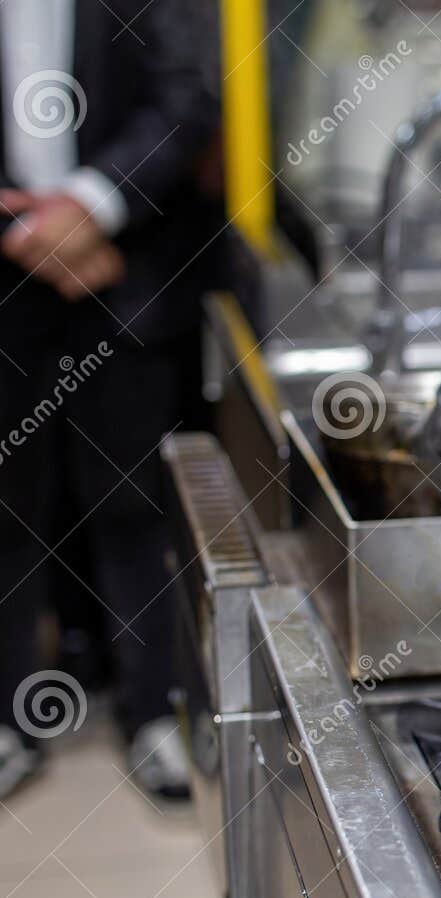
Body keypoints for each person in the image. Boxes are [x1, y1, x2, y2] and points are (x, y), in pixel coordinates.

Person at [0, 1, 220, 798]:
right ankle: (11, 717)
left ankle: (155, 708)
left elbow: (190, 95)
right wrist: (30, 232)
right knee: (8, 508)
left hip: (129, 267)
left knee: (135, 500)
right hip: (8, 267)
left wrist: (90, 206)